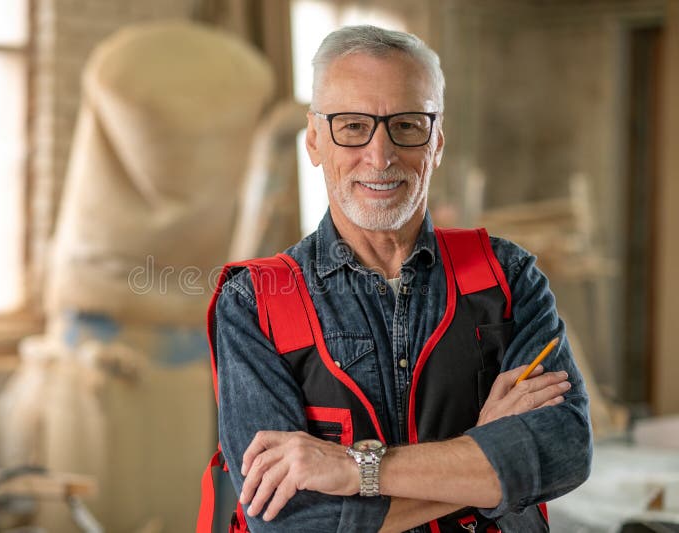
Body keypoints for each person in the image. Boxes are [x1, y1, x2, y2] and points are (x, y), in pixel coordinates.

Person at [211, 25, 592, 532]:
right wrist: (483, 455)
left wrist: (354, 470)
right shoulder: (253, 304)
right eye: (352, 126)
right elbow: (292, 524)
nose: (380, 154)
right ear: (314, 140)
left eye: (407, 125)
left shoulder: (507, 277)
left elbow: (563, 450)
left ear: (436, 141)